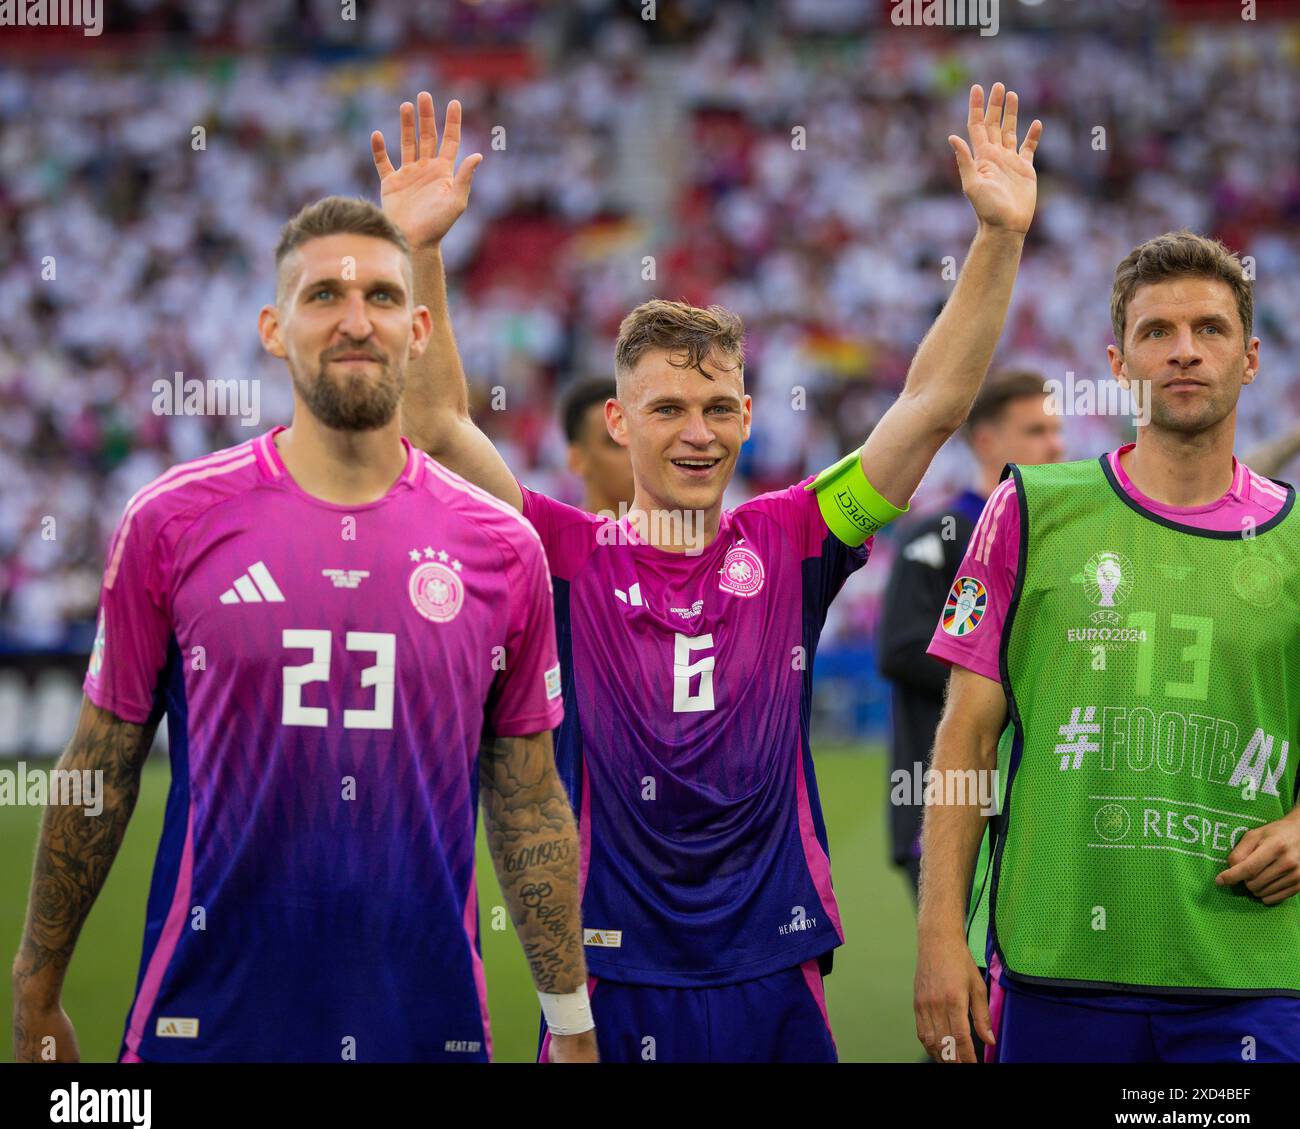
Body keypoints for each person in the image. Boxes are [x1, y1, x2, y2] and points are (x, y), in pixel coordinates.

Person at [374, 85, 1041, 1061]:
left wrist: (996, 236)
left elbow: (932, 406)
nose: (699, 433)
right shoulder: (558, 553)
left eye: (721, 408)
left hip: (775, 967)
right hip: (609, 976)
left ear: (746, 415)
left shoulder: (796, 538)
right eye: (669, 409)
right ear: (617, 423)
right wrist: (420, 252)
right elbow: (434, 429)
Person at [11, 196, 596, 1063]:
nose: (355, 321)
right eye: (324, 295)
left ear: (420, 327)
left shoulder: (502, 548)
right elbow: (100, 765)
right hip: (203, 1027)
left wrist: (574, 1026)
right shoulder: (171, 522)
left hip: (425, 1028)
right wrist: (35, 984)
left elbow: (529, 803)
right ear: (273, 328)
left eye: (383, 299)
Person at [915, 230, 1300, 1064]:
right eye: (1156, 332)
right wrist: (941, 937)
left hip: (1254, 973)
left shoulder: (1299, 536)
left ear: (1252, 357)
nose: (1184, 352)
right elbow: (966, 738)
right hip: (1059, 965)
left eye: (1210, 329)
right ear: (1118, 362)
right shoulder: (1031, 510)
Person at [879, 370, 1064, 901]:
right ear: (986, 441)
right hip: (947, 794)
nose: (1055, 445)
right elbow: (899, 648)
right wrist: (1018, 673)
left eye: (1055, 430)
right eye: (1035, 431)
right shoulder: (942, 533)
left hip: (1034, 802)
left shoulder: (1058, 536)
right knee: (962, 977)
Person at [559, 377, 636, 516]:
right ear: (577, 459)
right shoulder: (554, 536)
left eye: (638, 440)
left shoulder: (680, 533)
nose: (635, 456)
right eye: (615, 444)